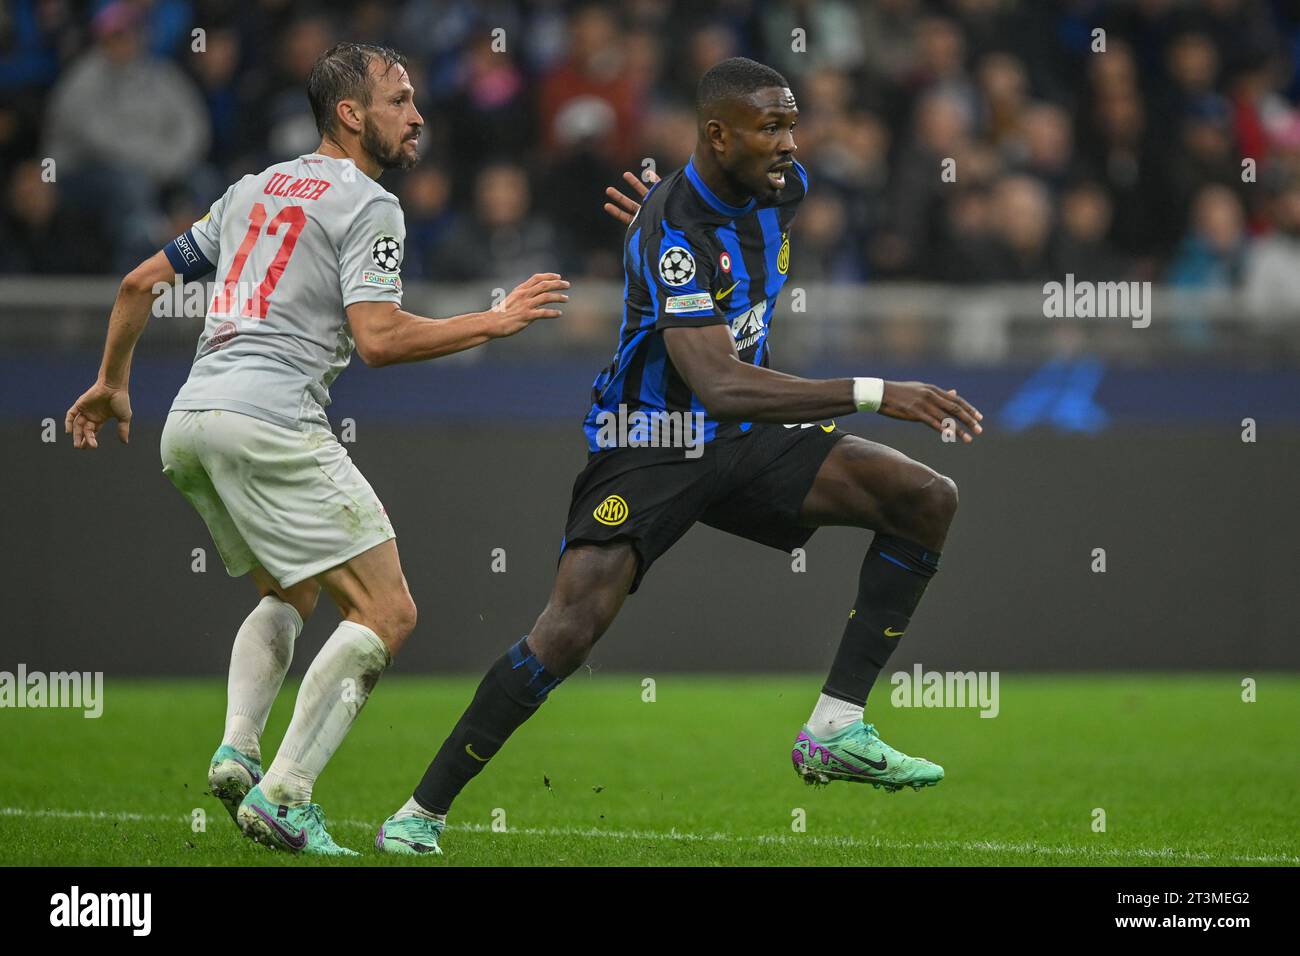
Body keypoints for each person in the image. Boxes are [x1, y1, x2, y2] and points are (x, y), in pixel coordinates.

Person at [373, 57, 982, 857]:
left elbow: (729, 307)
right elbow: (720, 382)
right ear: (718, 133)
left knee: (924, 497)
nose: (791, 144)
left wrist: (656, 248)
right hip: (651, 442)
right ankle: (420, 813)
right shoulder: (673, 231)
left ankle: (837, 724)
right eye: (772, 128)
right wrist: (874, 389)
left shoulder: (779, 193)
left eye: (793, 124)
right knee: (569, 631)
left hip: (743, 438)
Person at [63, 43, 568, 856]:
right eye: (400, 100)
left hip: (189, 422)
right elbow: (378, 338)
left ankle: (238, 750)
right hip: (269, 419)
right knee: (388, 610)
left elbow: (137, 284)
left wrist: (114, 381)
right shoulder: (369, 203)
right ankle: (287, 793)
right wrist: (494, 319)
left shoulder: (253, 188)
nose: (417, 116)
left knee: (293, 591)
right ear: (351, 114)